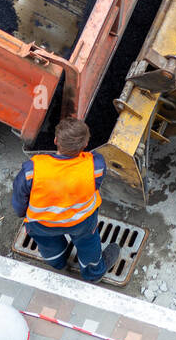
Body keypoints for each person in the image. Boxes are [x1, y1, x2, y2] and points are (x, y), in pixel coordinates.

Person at [12, 117, 119, 282]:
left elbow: (19, 199)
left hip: (42, 223)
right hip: (81, 221)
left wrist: (22, 214)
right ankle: (93, 273)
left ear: (55, 141)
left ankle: (57, 262)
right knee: (88, 244)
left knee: (48, 245)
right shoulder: (95, 165)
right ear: (85, 145)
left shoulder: (33, 169)